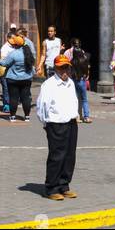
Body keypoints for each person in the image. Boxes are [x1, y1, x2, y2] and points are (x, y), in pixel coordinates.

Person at [36, 55, 80, 200]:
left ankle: (64, 185)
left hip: (71, 123)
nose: (64, 71)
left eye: (66, 67)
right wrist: (46, 124)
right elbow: (41, 106)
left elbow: (74, 100)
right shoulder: (48, 85)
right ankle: (51, 187)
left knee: (69, 156)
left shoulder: (71, 83)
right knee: (57, 156)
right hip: (55, 123)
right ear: (55, 68)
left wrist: (75, 116)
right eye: (61, 68)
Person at [0, 32, 35, 122]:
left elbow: (4, 63)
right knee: (26, 97)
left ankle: (13, 116)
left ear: (15, 44)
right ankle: (27, 116)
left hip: (13, 79)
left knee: (13, 98)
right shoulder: (28, 53)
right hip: (26, 78)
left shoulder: (13, 54)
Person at [69, 39, 92, 123]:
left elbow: (70, 72)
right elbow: (86, 72)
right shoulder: (84, 60)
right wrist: (85, 76)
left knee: (75, 99)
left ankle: (76, 117)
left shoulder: (72, 61)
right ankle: (86, 117)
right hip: (82, 80)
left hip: (74, 80)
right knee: (84, 99)